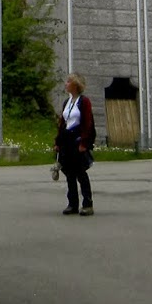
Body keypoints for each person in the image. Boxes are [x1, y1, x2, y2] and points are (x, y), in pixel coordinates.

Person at [55, 73, 96, 217]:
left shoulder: (84, 102)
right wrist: (58, 142)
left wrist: (84, 142)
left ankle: (87, 204)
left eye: (68, 82)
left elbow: (87, 123)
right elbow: (62, 123)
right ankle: (72, 204)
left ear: (75, 85)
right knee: (69, 173)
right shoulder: (67, 102)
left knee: (80, 173)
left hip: (78, 140)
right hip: (67, 140)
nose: (65, 84)